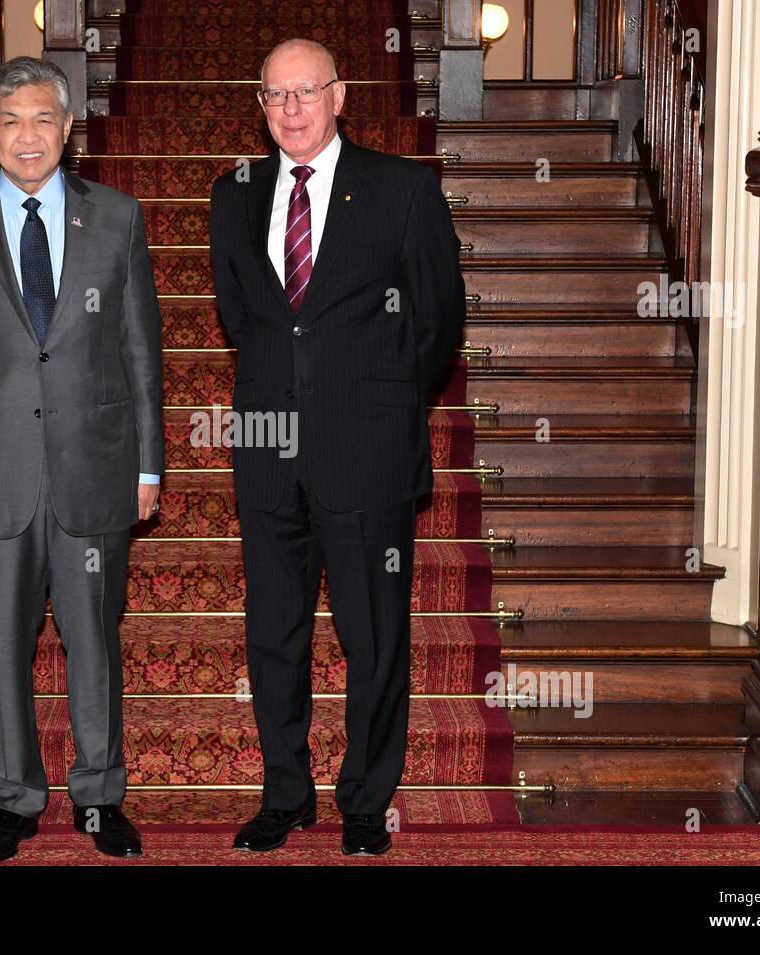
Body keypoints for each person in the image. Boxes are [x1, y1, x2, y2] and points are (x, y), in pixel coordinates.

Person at [208, 38, 465, 855]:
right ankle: (285, 794)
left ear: (340, 95)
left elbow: (437, 322)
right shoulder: (235, 193)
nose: (290, 109)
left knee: (374, 635)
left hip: (369, 455)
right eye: (275, 95)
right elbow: (243, 321)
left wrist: (380, 404)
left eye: (305, 92)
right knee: (273, 635)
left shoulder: (402, 188)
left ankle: (364, 800)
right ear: (261, 103)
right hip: (267, 452)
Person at [0, 56, 163, 863]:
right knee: (1, 645)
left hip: (94, 468)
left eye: (44, 119)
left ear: (67, 128)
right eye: (11, 120)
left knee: (93, 636)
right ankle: (13, 798)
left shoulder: (118, 218)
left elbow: (141, 355)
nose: (29, 136)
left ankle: (99, 796)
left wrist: (149, 467)